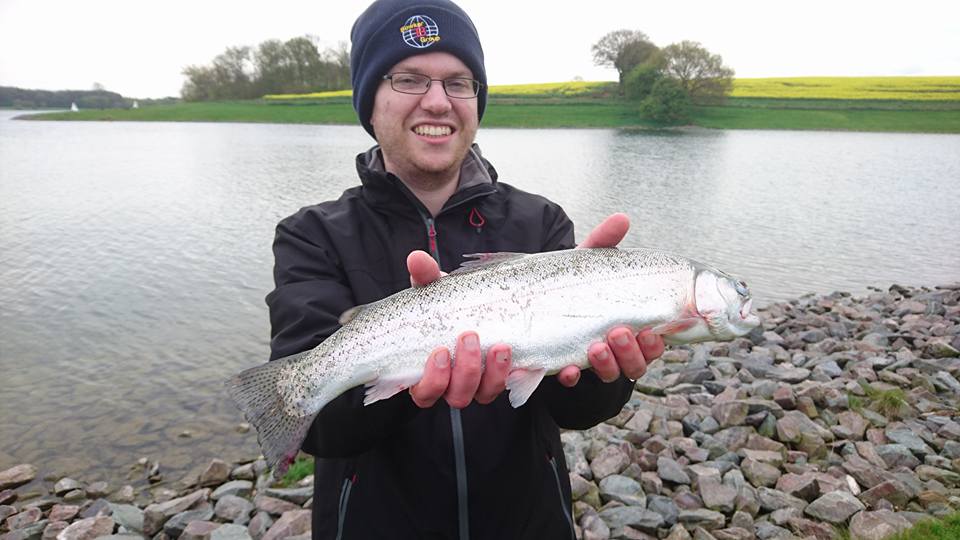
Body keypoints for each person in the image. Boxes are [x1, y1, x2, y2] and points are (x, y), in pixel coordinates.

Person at [265, 1, 665, 538]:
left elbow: (576, 408)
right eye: (409, 79)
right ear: (369, 101)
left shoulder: (542, 222)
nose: (438, 101)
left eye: (458, 83)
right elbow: (322, 432)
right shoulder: (312, 234)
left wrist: (606, 366)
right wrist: (408, 385)